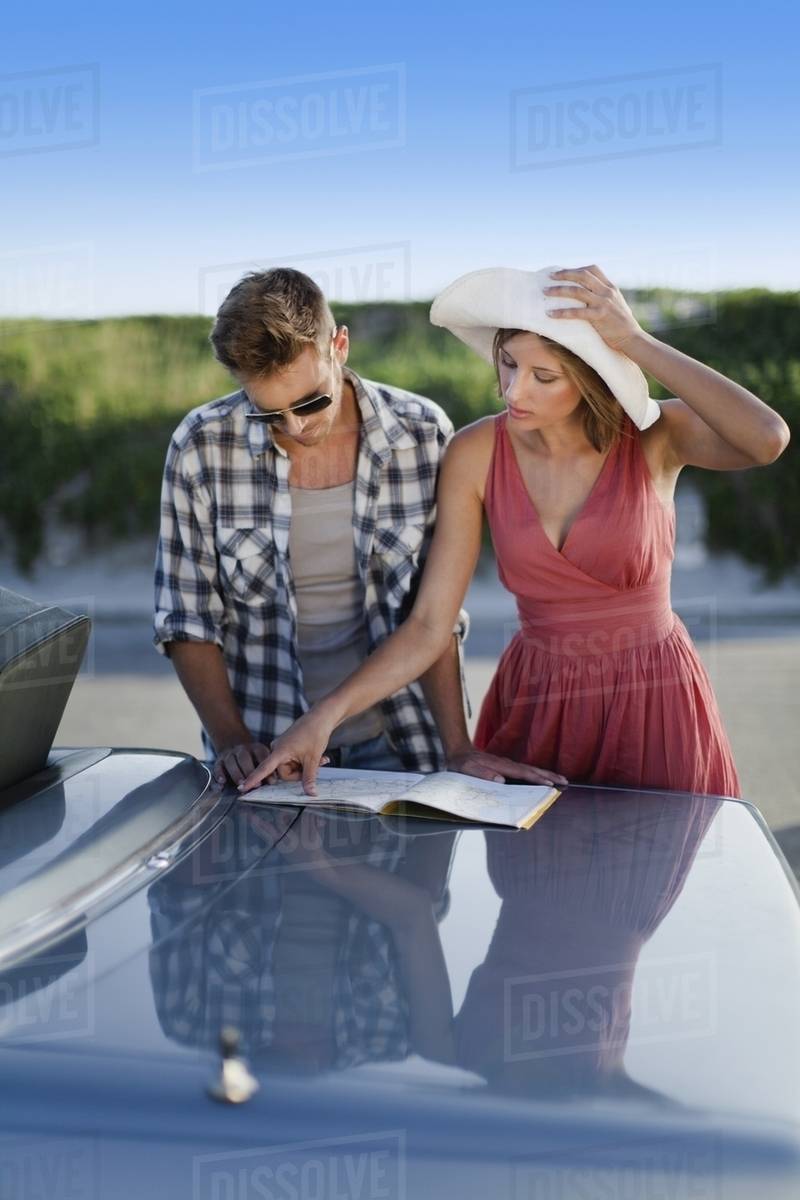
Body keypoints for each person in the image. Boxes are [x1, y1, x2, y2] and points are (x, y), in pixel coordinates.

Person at [239, 263, 790, 799]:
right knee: (540, 886)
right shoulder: (476, 453)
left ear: (590, 376)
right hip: (537, 706)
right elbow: (430, 623)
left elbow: (766, 439)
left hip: (655, 699)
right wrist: (324, 719)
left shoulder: (654, 435)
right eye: (506, 364)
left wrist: (635, 341)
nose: (512, 391)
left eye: (542, 376)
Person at [153, 267, 561, 789]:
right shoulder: (200, 446)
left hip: (404, 742)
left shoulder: (422, 434)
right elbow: (187, 618)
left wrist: (458, 749)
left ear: (339, 346)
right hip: (268, 752)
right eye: (269, 414)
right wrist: (232, 741)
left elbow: (433, 615)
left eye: (310, 401)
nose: (297, 429)